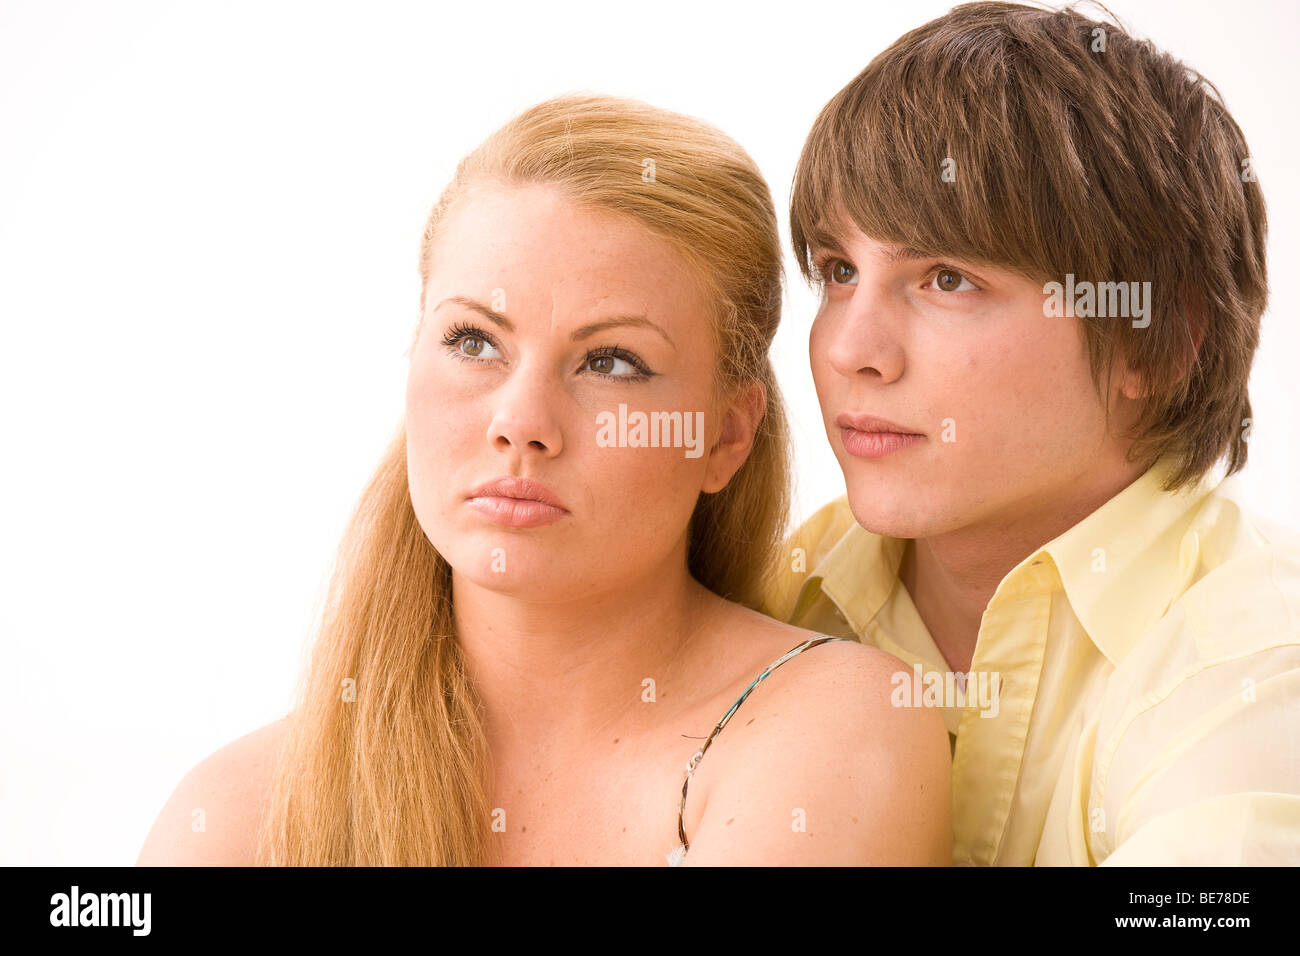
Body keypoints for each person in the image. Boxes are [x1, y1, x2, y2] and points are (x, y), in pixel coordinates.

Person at [136, 93, 951, 867]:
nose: (521, 420)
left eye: (610, 362)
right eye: (474, 341)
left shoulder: (832, 723)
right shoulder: (238, 812)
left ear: (725, 435)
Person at [762, 1, 1300, 865]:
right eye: (838, 271)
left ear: (1155, 344)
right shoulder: (778, 591)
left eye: (945, 278)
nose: (850, 350)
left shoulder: (1261, 665)